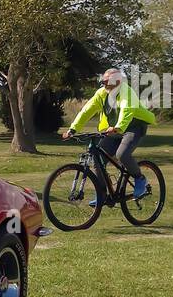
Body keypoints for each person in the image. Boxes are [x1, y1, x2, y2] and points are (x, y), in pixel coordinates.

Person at [64, 68, 157, 202]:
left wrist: (118, 127)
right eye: (103, 81)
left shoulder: (126, 92)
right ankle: (102, 194)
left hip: (133, 128)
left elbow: (127, 110)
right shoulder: (101, 94)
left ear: (117, 81)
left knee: (122, 155)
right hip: (113, 130)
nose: (104, 84)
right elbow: (86, 111)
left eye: (106, 81)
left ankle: (139, 179)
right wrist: (72, 129)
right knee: (98, 159)